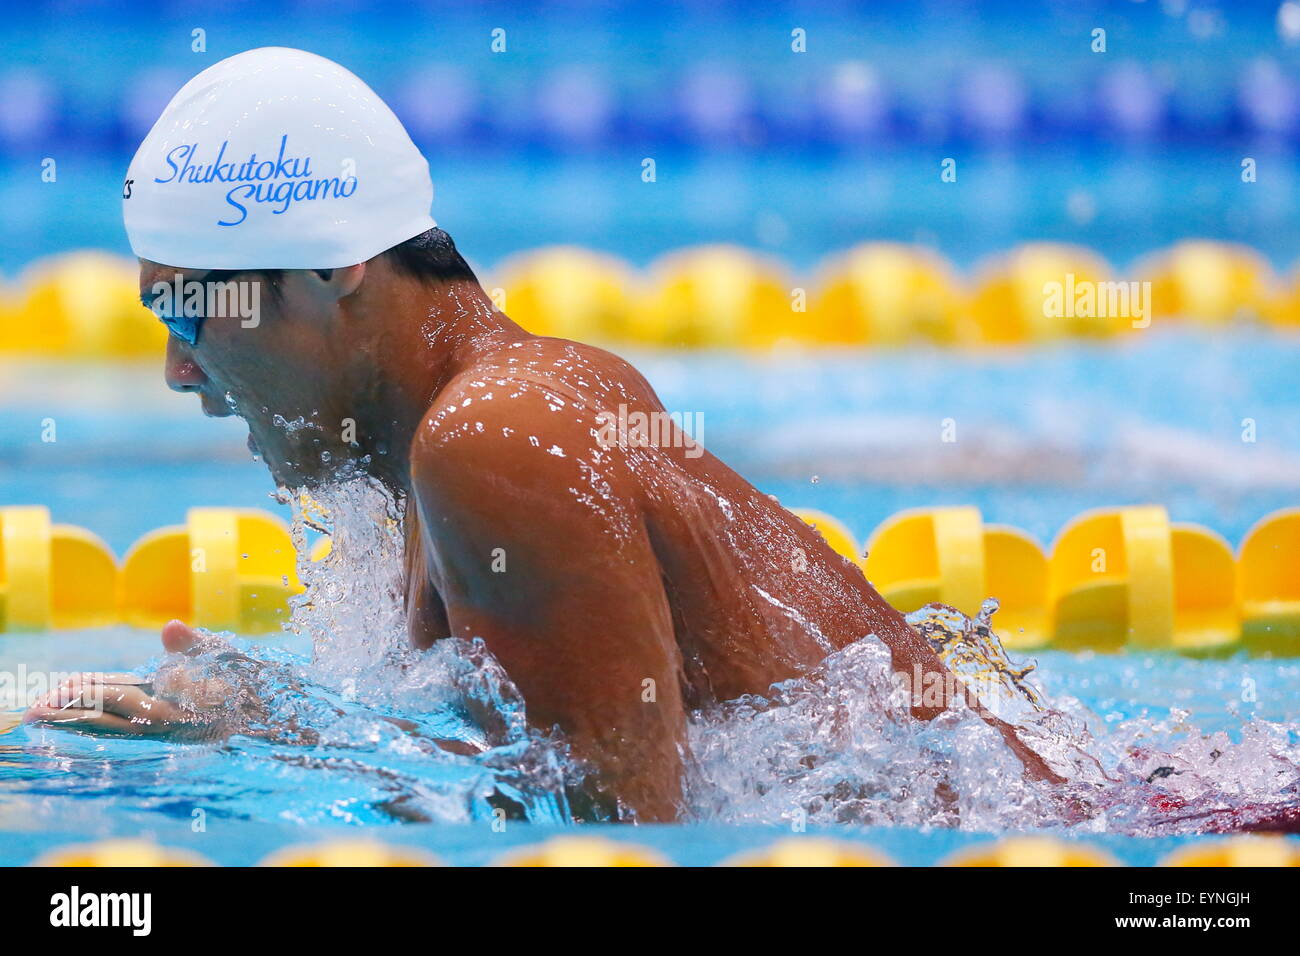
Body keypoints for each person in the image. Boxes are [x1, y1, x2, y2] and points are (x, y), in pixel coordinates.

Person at [25, 48, 1061, 821]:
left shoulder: (496, 438)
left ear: (334, 264)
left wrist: (266, 752)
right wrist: (267, 727)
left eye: (189, 311)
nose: (179, 368)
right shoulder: (482, 425)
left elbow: (607, 841)